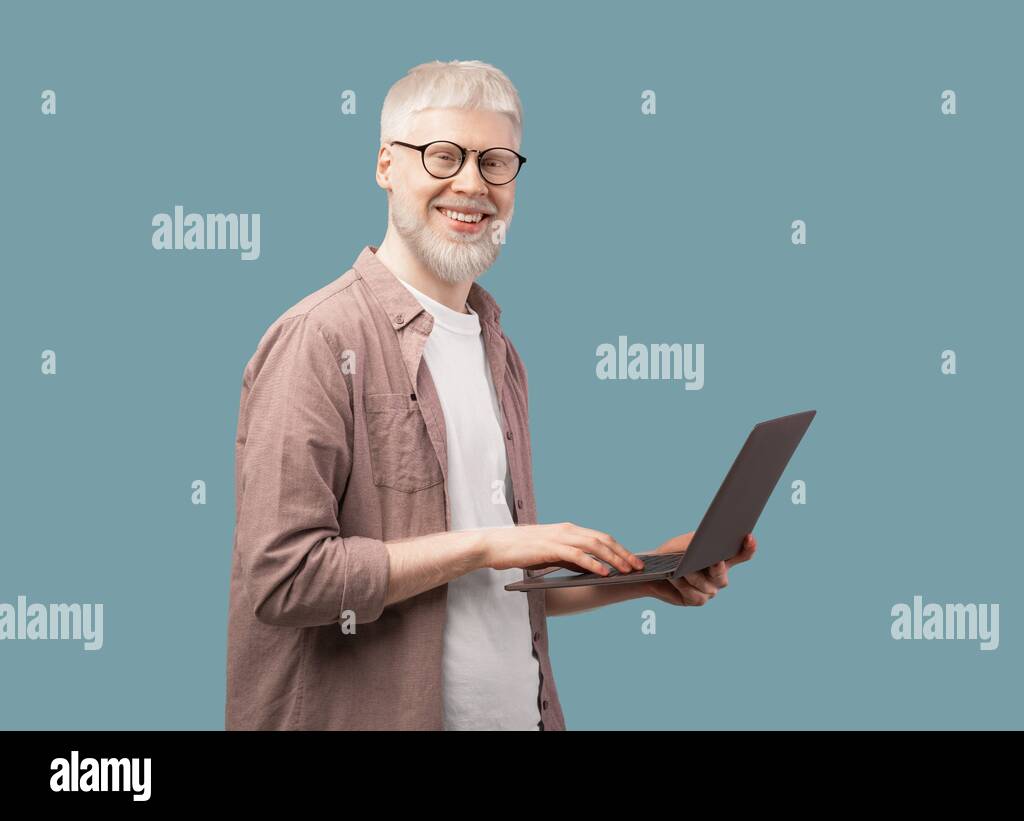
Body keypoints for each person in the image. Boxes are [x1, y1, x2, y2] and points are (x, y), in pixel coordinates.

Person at [225, 59, 757, 730]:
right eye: (443, 156)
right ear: (387, 166)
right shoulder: (318, 338)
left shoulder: (497, 349)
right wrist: (486, 542)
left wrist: (643, 577)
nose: (471, 183)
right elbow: (284, 579)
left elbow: (490, 590)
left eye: (495, 161)